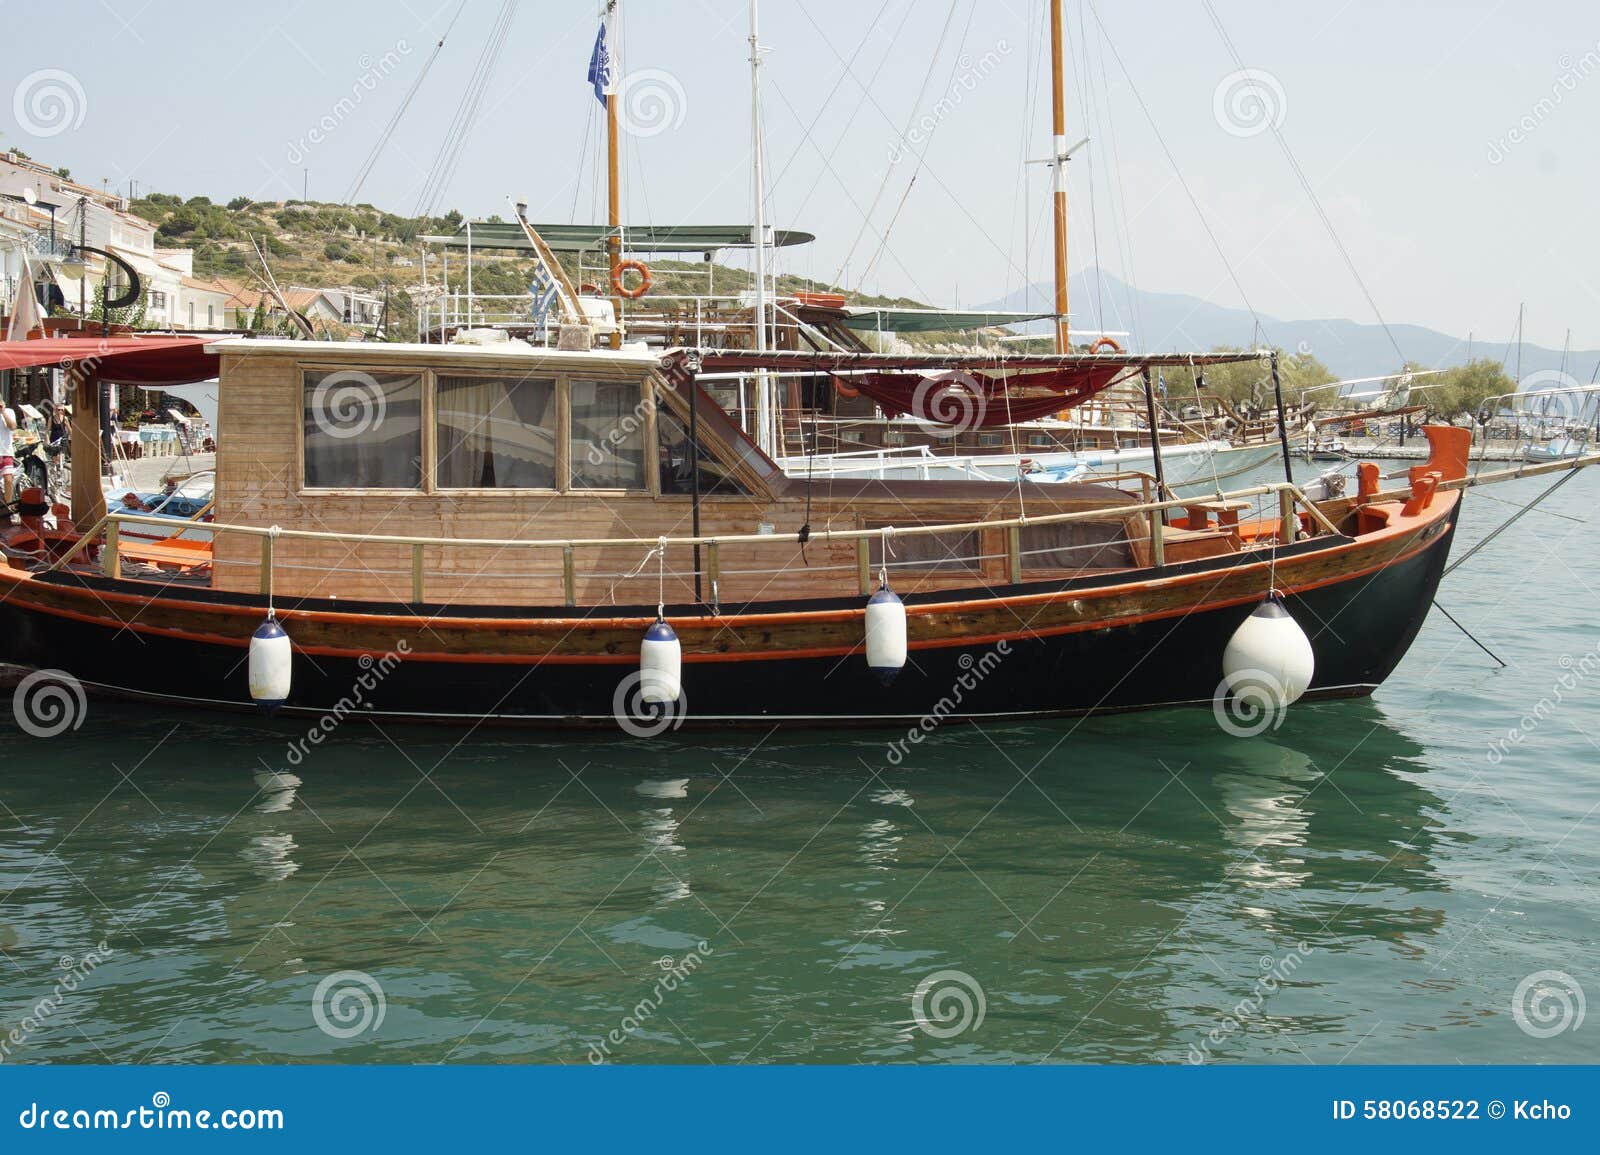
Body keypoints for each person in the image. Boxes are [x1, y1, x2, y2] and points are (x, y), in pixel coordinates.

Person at [0, 400, 17, 522]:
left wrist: (3, 412)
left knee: (8, 480)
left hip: (6, 452)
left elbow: (13, 426)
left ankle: (8, 506)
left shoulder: (9, 412)